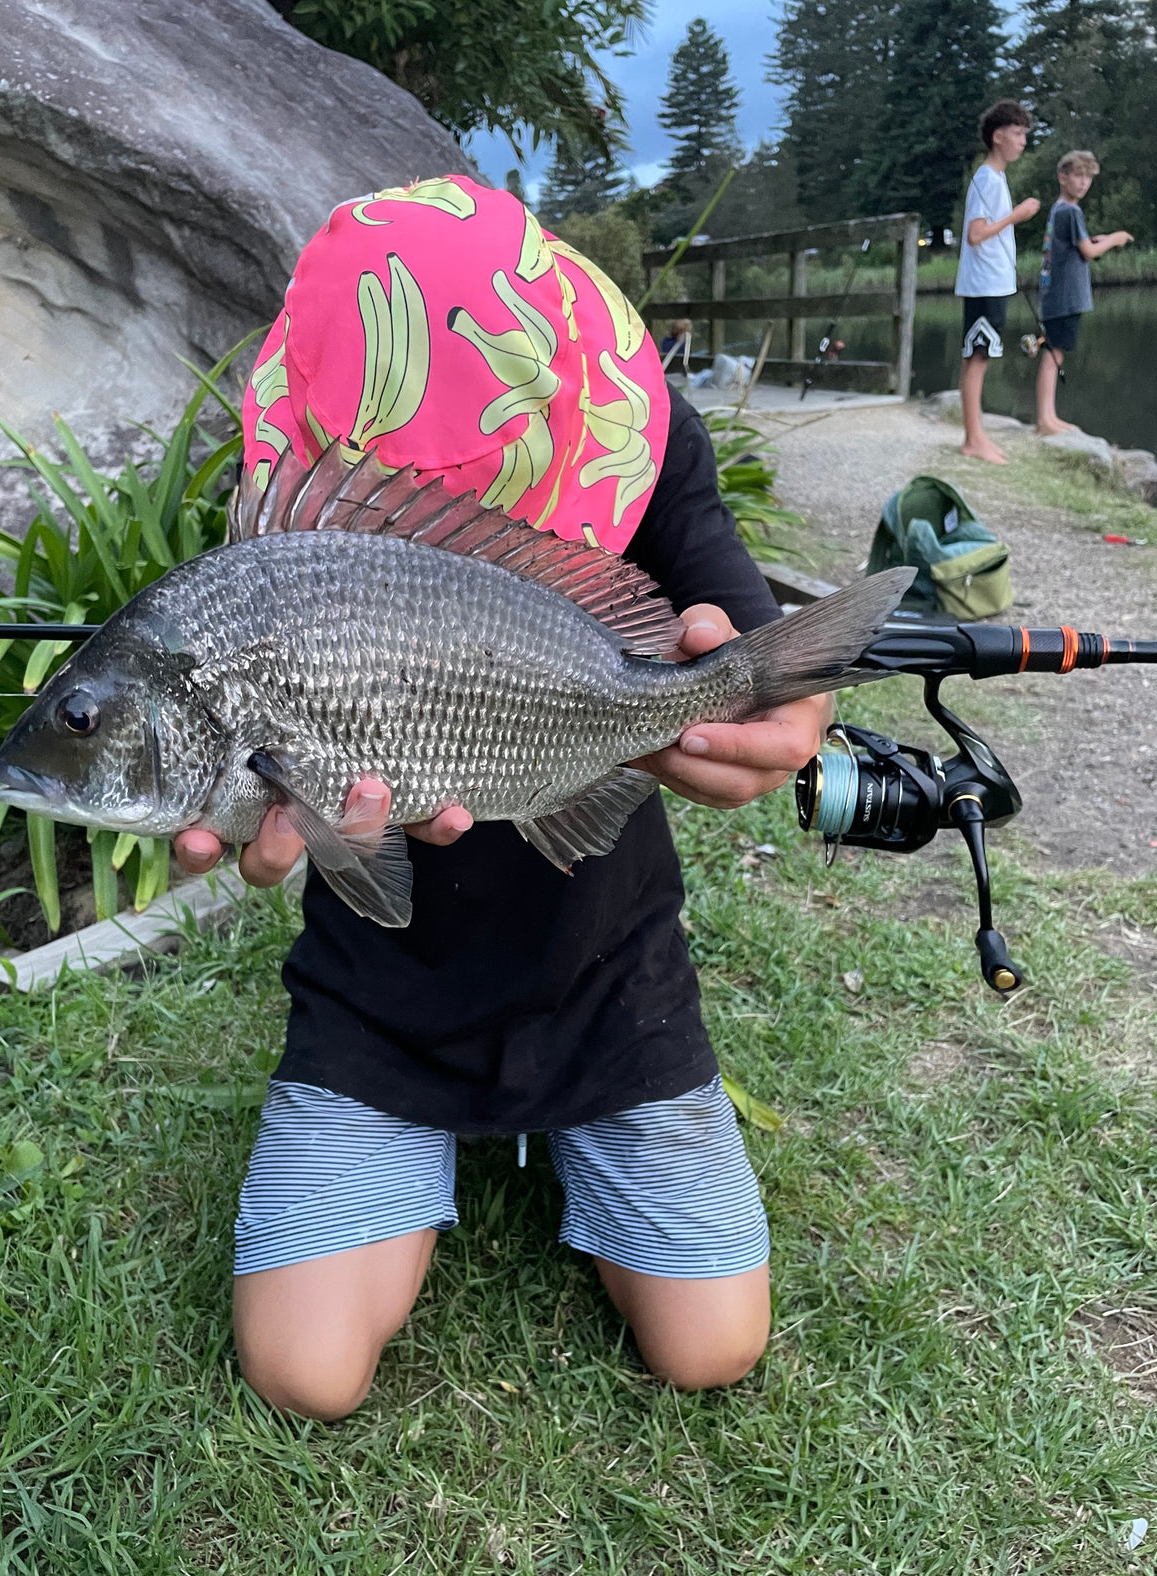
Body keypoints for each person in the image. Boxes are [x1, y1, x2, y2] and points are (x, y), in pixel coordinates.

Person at [174, 175, 830, 1419]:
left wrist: (784, 717)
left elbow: (768, 664)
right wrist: (276, 823)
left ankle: (577, 1134)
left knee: (713, 1345)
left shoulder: (654, 432)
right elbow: (239, 796)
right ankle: (426, 1134)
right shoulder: (283, 522)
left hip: (607, 969)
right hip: (382, 998)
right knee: (302, 1370)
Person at [954, 100, 1040, 465]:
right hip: (984, 284)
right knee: (977, 359)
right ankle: (973, 439)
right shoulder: (988, 179)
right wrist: (1016, 215)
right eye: (1018, 133)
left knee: (979, 357)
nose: (1022, 141)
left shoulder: (995, 177)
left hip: (993, 284)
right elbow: (976, 235)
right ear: (998, 135)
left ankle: (976, 435)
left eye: (1024, 134)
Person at [1034, 150, 1133, 435]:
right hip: (1065, 297)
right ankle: (1044, 419)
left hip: (1054, 295)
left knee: (1054, 354)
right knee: (1054, 356)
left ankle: (1048, 417)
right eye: (1078, 175)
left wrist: (1092, 240)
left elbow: (1075, 245)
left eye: (1088, 177)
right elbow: (1087, 252)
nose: (1084, 182)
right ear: (1062, 177)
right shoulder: (1071, 211)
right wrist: (1115, 239)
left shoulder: (1057, 210)